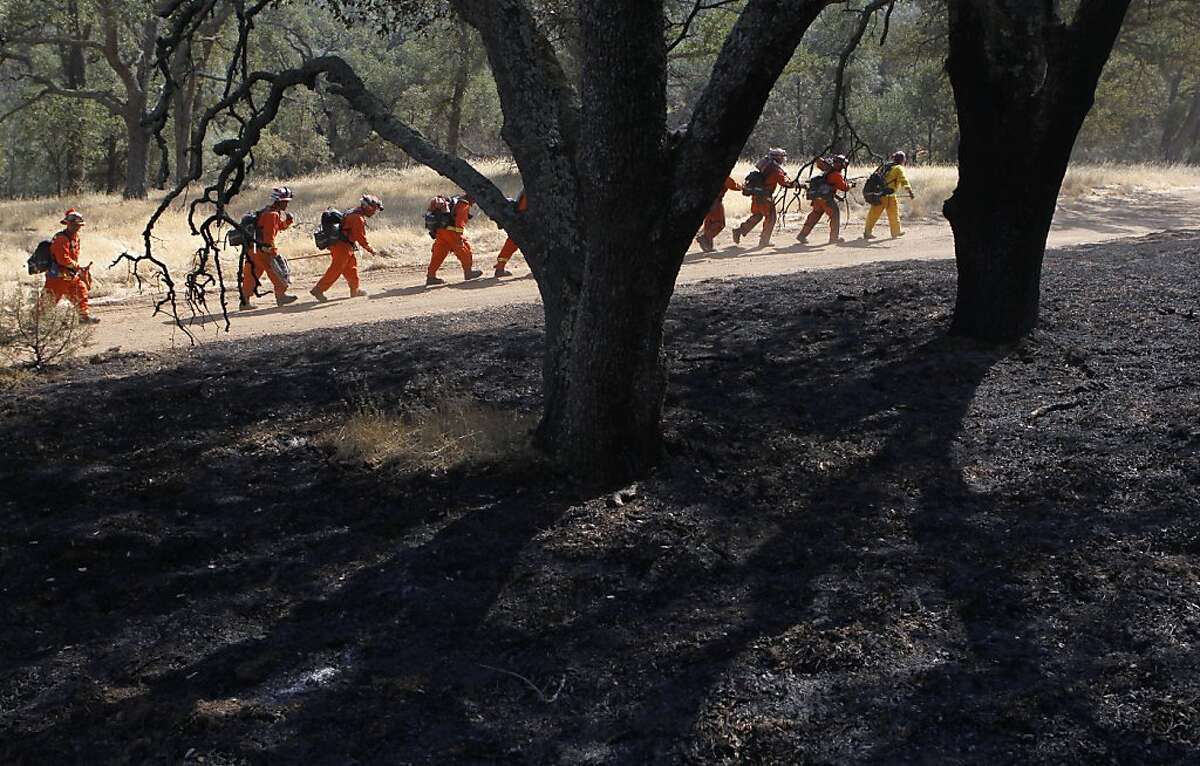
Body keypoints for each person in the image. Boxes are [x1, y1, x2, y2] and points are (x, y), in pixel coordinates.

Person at [310, 194, 382, 302]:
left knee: (351, 268)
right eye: (374, 209)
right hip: (341, 246)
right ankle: (318, 289)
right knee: (336, 269)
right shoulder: (358, 218)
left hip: (344, 244)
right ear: (368, 207)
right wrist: (371, 250)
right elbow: (361, 238)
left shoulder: (354, 212)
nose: (374, 212)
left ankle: (355, 290)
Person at [240, 186, 299, 309]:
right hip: (263, 250)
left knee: (251, 275)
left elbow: (277, 227)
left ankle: (244, 301)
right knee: (277, 272)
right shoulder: (272, 215)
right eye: (285, 202)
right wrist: (272, 251)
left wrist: (288, 222)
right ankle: (281, 296)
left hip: (253, 249)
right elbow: (269, 235)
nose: (287, 204)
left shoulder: (267, 212)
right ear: (278, 201)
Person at [732, 147, 796, 248]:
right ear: (777, 158)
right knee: (771, 218)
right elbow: (784, 183)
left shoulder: (766, 166)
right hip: (765, 197)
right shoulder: (775, 170)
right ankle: (764, 241)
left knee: (757, 215)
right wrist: (795, 184)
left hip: (757, 196)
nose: (783, 159)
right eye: (782, 157)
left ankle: (739, 231)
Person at [43, 208, 99, 324]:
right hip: (57, 276)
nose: (76, 227)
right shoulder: (61, 239)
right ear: (67, 224)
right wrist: (78, 267)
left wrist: (79, 269)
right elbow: (63, 259)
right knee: (48, 301)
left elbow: (72, 257)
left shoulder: (76, 237)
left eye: (78, 225)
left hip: (70, 274)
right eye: (73, 224)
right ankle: (36, 323)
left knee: (80, 291)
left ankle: (84, 317)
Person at [427, 192, 483, 285]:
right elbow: (460, 222)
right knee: (465, 250)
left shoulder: (455, 200)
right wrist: (459, 238)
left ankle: (431, 276)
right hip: (452, 232)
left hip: (441, 232)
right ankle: (468, 272)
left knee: (438, 254)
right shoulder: (464, 203)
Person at [797, 154, 853, 245]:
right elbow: (844, 187)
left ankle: (802, 235)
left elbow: (819, 163)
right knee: (835, 216)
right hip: (826, 200)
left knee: (814, 216)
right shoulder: (836, 174)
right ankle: (834, 238)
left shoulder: (828, 170)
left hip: (817, 199)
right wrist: (850, 185)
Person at [863, 150, 915, 240]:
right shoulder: (899, 168)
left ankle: (867, 232)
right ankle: (895, 232)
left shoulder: (886, 166)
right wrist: (909, 191)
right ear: (902, 160)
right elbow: (904, 180)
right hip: (889, 195)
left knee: (873, 214)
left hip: (880, 194)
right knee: (893, 214)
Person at [696, 176, 742, 252]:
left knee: (709, 223)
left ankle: (708, 246)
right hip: (715, 202)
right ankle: (704, 237)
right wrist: (742, 187)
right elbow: (733, 186)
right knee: (720, 223)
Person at [493, 190, 527, 277]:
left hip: (520, 220)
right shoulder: (531, 191)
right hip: (525, 221)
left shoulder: (527, 189)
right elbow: (524, 208)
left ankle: (500, 267)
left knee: (511, 244)